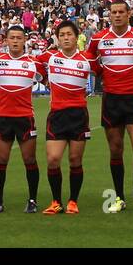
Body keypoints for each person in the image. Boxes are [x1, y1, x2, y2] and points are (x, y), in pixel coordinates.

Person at [85, 0, 133, 213]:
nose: (118, 15)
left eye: (121, 11)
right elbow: (90, 58)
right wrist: (102, 72)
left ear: (128, 13)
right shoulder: (99, 38)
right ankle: (119, 197)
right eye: (114, 12)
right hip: (111, 99)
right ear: (109, 15)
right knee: (115, 150)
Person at [35, 20, 96, 214]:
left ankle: (73, 201)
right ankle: (56, 201)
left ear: (76, 37)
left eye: (69, 34)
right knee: (53, 159)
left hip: (79, 115)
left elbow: (101, 72)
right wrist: (46, 81)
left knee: (75, 160)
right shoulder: (49, 56)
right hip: (57, 115)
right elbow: (33, 64)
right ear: (58, 39)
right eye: (62, 35)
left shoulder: (87, 58)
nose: (66, 38)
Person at [0, 24, 43, 213]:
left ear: (25, 40)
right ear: (6, 40)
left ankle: (33, 200)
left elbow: (50, 82)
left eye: (19, 38)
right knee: (1, 160)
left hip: (25, 118)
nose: (16, 41)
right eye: (13, 38)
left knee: (29, 160)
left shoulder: (34, 62)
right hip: (3, 117)